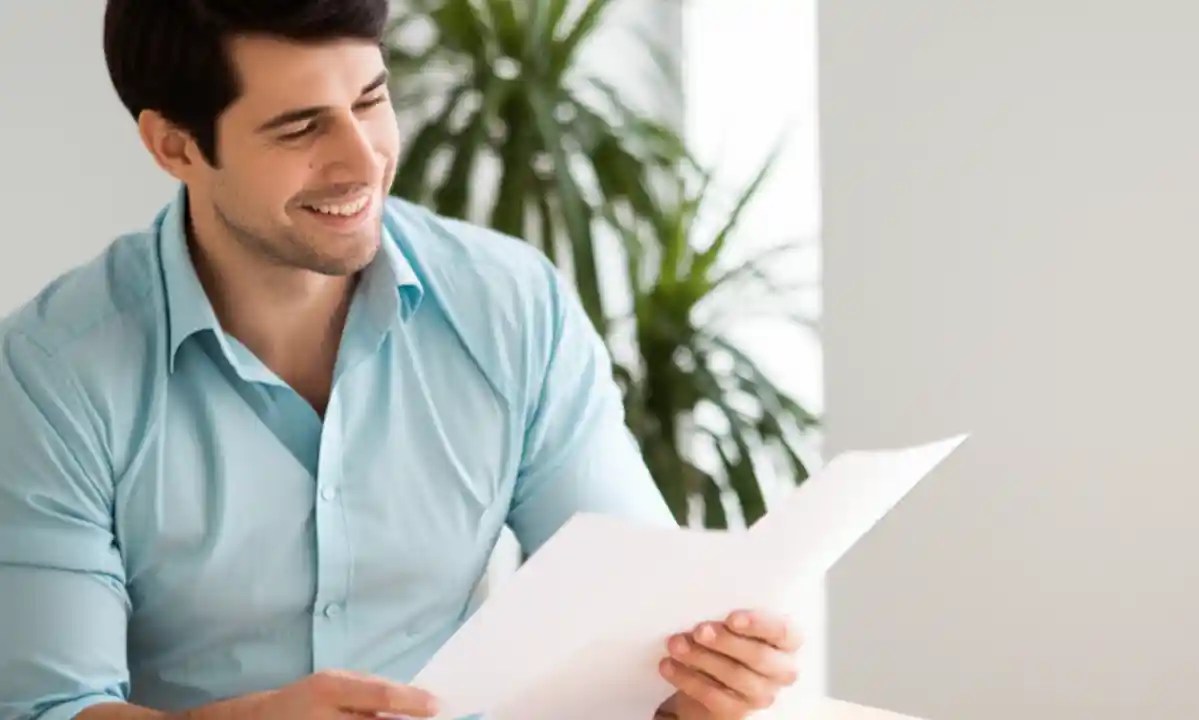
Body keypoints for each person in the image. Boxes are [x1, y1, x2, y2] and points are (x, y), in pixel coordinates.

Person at [0, 2, 804, 719]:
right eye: (300, 127)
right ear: (174, 145)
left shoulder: (509, 306)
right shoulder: (53, 374)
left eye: (370, 100)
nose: (363, 160)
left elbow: (637, 628)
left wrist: (696, 690)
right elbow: (51, 706)